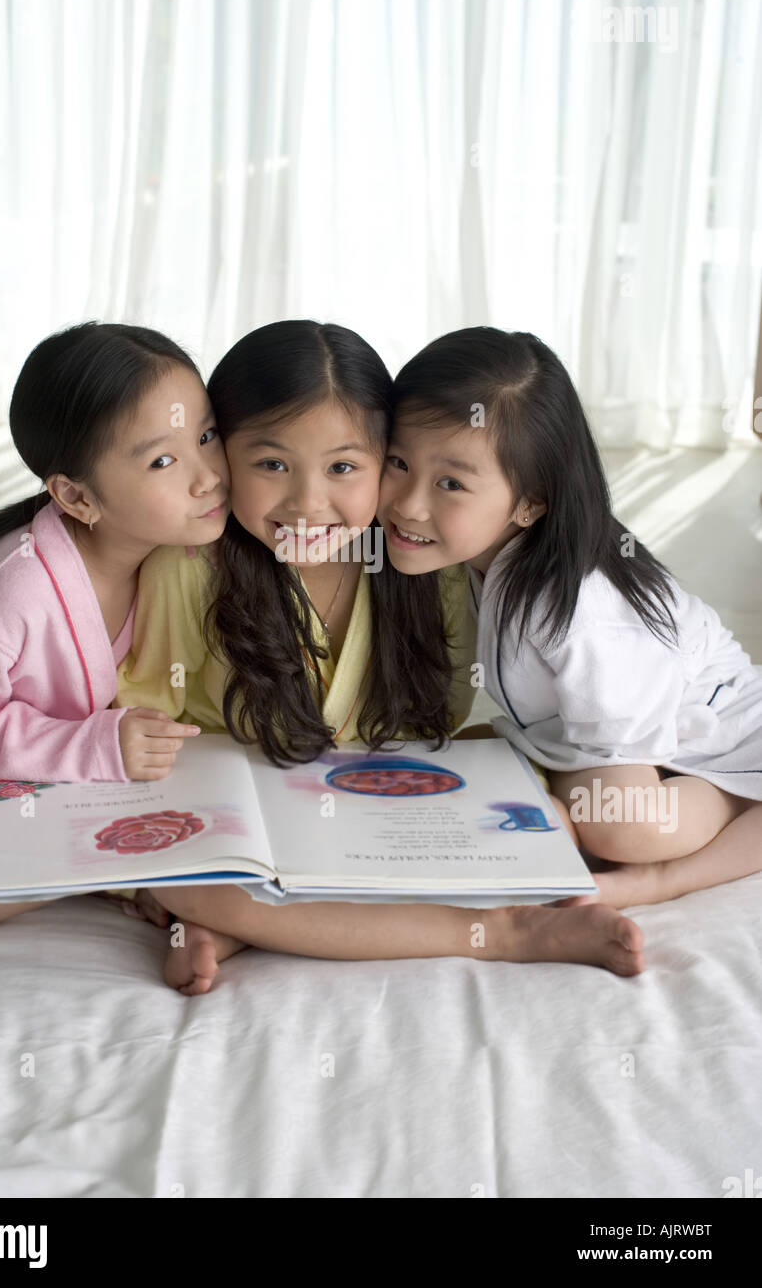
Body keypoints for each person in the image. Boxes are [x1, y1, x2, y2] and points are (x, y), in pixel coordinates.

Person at [116, 320, 644, 992]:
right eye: (271, 464)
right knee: (186, 882)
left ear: (386, 461)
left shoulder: (425, 566)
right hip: (246, 816)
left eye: (343, 468)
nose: (308, 503)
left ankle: (243, 927)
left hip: (382, 802)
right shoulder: (187, 567)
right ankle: (508, 933)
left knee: (552, 823)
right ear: (221, 457)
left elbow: (438, 729)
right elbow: (148, 734)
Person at [378, 325, 762, 913]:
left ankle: (731, 805)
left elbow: (620, 751)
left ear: (531, 502)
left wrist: (570, 805)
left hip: (717, 735)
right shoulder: (481, 559)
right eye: (398, 462)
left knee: (619, 824)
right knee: (448, 762)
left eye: (451, 483)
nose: (408, 503)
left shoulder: (584, 612)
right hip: (603, 736)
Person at [0, 321, 226, 942]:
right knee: (48, 849)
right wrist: (93, 748)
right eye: (163, 460)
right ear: (76, 497)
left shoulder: (173, 555)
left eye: (206, 435)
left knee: (39, 836)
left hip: (1, 773)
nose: (207, 475)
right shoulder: (13, 592)